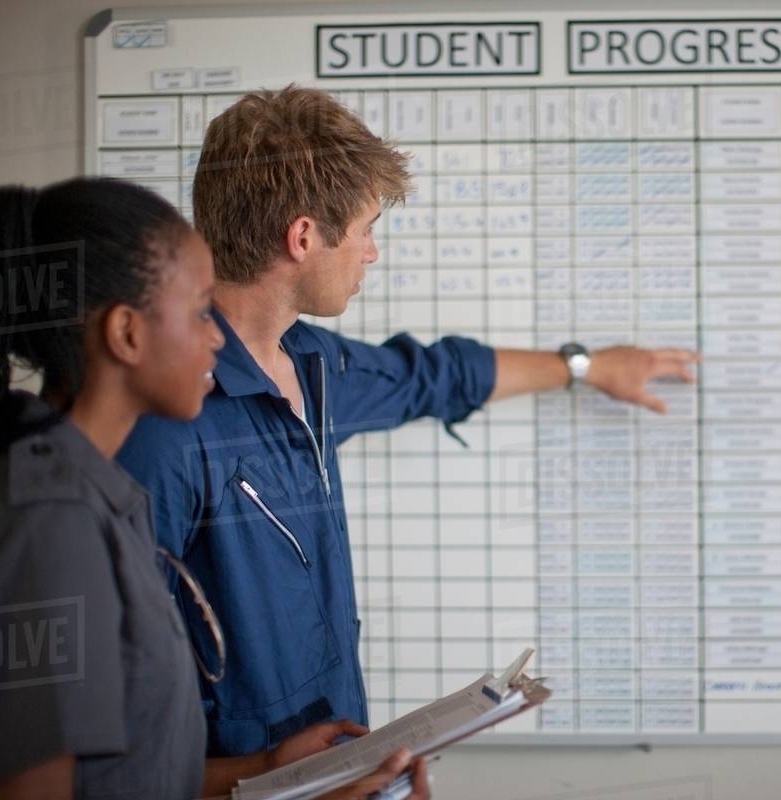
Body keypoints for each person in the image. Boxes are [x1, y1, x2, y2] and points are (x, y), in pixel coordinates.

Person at [116, 84, 699, 756]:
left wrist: (586, 367)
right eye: (367, 229)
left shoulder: (313, 364)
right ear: (303, 236)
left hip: (343, 770)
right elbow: (111, 726)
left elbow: (432, 377)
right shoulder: (163, 426)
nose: (371, 253)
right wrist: (264, 777)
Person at [0, 178, 426, 799]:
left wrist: (273, 771)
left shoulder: (96, 495)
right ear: (128, 334)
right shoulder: (48, 525)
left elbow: (129, 777)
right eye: (199, 312)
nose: (218, 337)